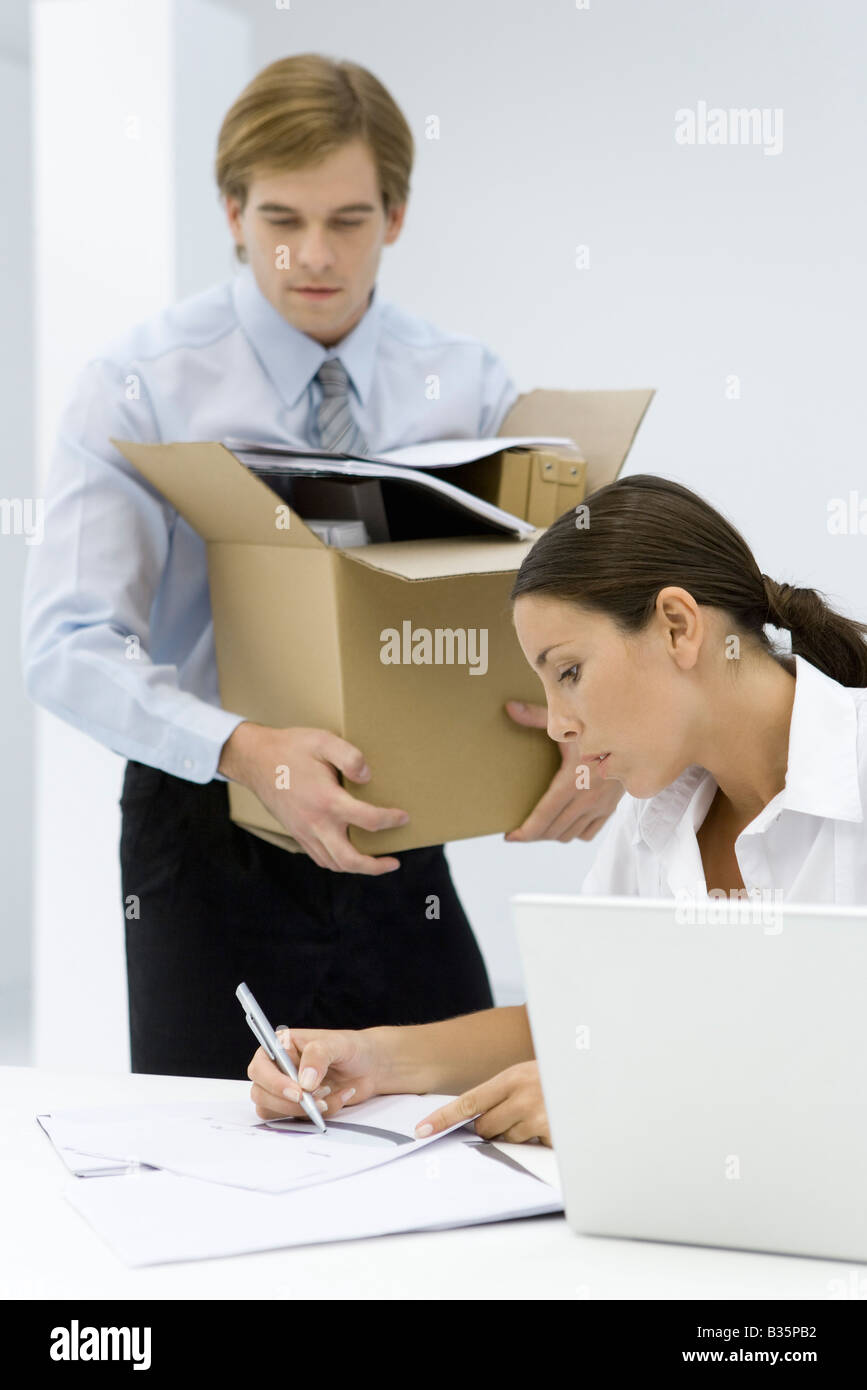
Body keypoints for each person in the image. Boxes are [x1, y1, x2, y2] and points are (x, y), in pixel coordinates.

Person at [20, 54, 620, 1081]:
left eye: (347, 220)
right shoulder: (138, 387)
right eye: (280, 219)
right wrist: (251, 750)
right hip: (208, 825)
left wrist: (592, 733)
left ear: (394, 215)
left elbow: (560, 602)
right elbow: (68, 648)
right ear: (231, 211)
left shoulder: (467, 385)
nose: (311, 255)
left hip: (403, 821)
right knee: (222, 1155)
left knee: (459, 1125)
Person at [246, 474, 867, 1144]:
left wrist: (616, 1088)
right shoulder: (657, 817)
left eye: (568, 672)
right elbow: (582, 1013)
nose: (557, 727)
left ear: (678, 627)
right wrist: (372, 1059)